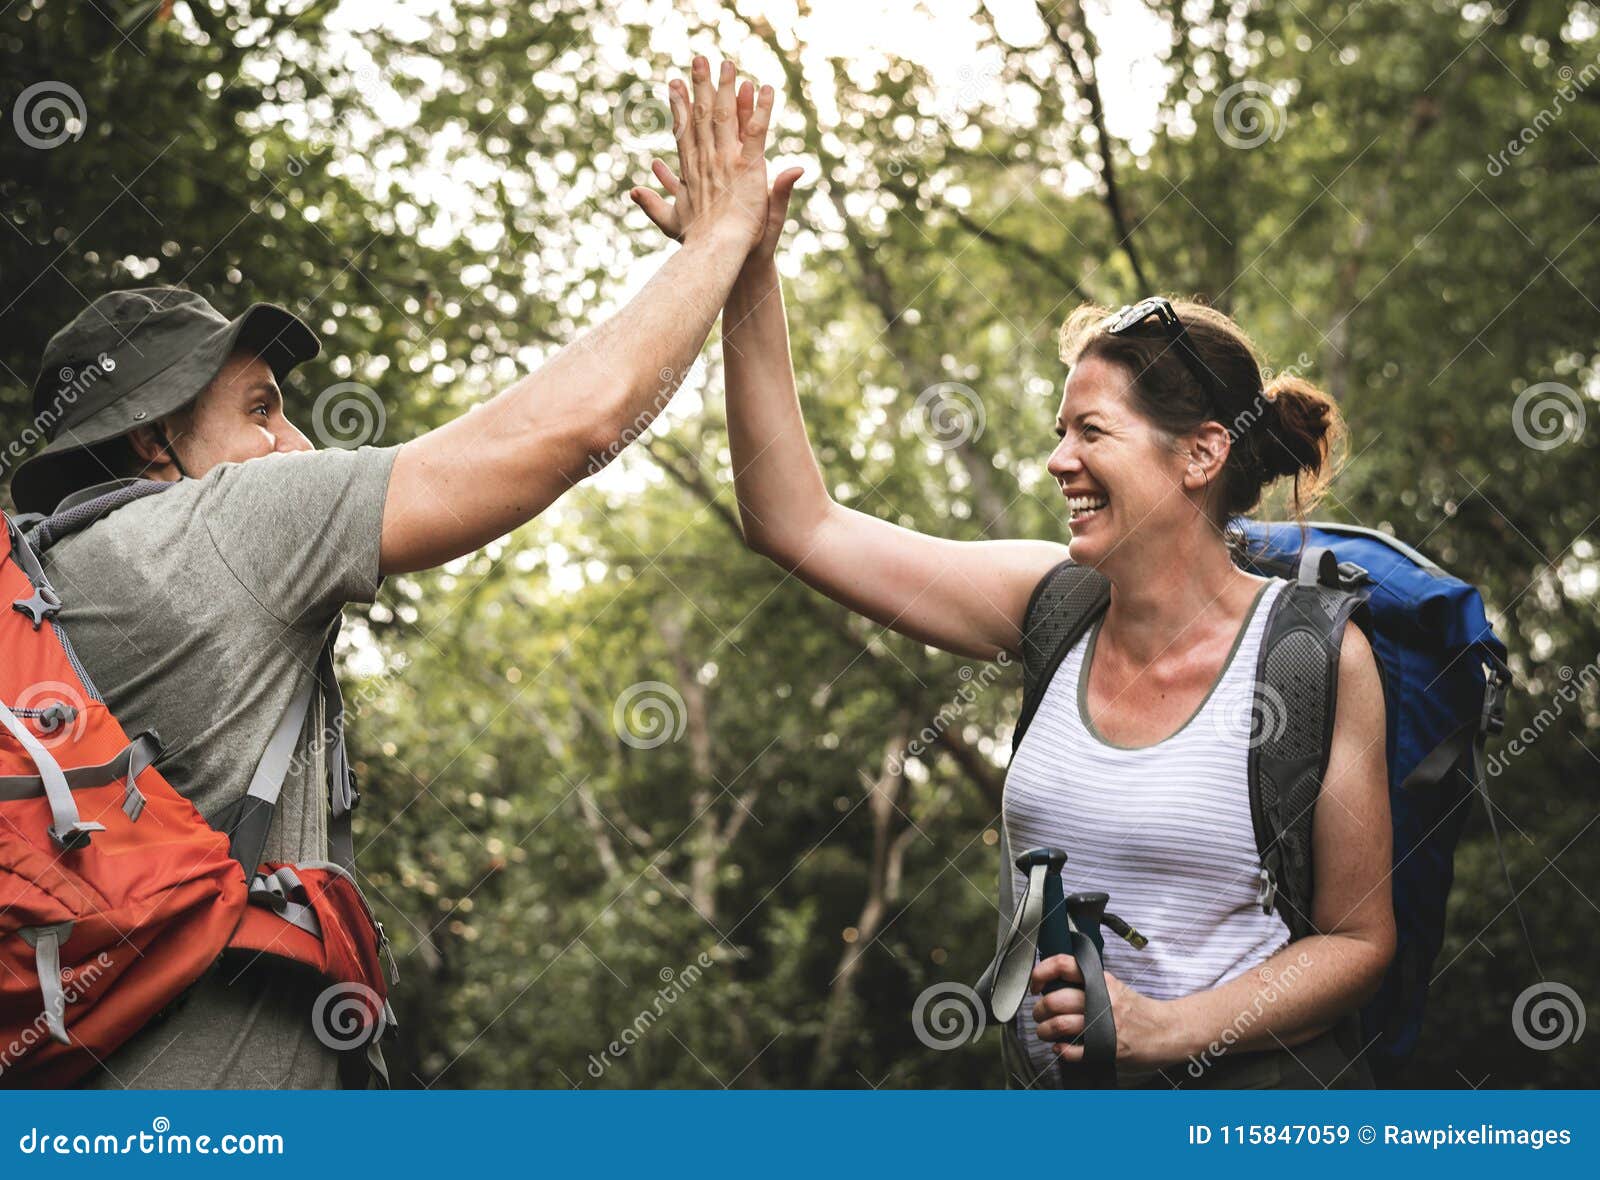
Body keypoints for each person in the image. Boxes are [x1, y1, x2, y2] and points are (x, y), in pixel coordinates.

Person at [6, 56, 782, 1090]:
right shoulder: (223, 527)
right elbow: (574, 427)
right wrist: (724, 236)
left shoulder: (50, 583)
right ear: (155, 444)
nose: (295, 441)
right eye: (261, 407)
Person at [632, 158, 1394, 1086]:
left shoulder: (1312, 658)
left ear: (1200, 454)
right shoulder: (1054, 606)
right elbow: (794, 524)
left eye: (1091, 433)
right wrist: (750, 263)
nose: (1055, 459)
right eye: (1059, 429)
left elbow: (1358, 942)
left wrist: (1169, 1027)